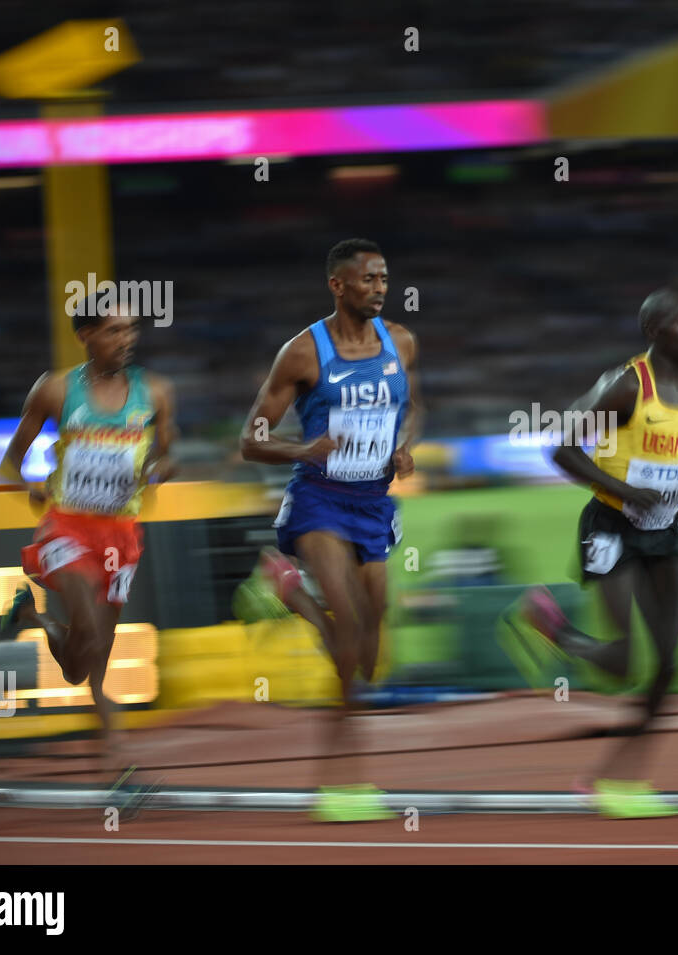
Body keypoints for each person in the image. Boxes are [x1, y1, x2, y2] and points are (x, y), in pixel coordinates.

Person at [517, 288, 678, 818]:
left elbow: (677, 471)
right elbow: (563, 448)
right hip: (613, 526)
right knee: (622, 663)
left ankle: (620, 779)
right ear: (656, 331)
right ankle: (557, 630)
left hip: (663, 531)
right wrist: (626, 492)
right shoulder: (626, 387)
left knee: (669, 666)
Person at [238, 238, 422, 823]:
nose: (380, 287)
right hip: (319, 501)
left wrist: (404, 446)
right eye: (368, 279)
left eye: (385, 278)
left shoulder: (402, 342)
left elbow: (413, 406)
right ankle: (341, 779)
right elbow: (250, 440)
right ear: (338, 285)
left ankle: (290, 591)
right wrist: (305, 448)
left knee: (370, 649)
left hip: (373, 505)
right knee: (348, 635)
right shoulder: (302, 354)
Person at [0, 300, 177, 775]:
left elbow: (167, 453)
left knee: (82, 662)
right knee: (93, 636)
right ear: (86, 336)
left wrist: (159, 469)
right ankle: (116, 761)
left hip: (120, 537)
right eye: (115, 331)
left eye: (131, 330)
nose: (127, 339)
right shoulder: (55, 389)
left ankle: (32, 618)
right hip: (66, 528)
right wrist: (29, 485)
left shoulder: (155, 391)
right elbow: (10, 461)